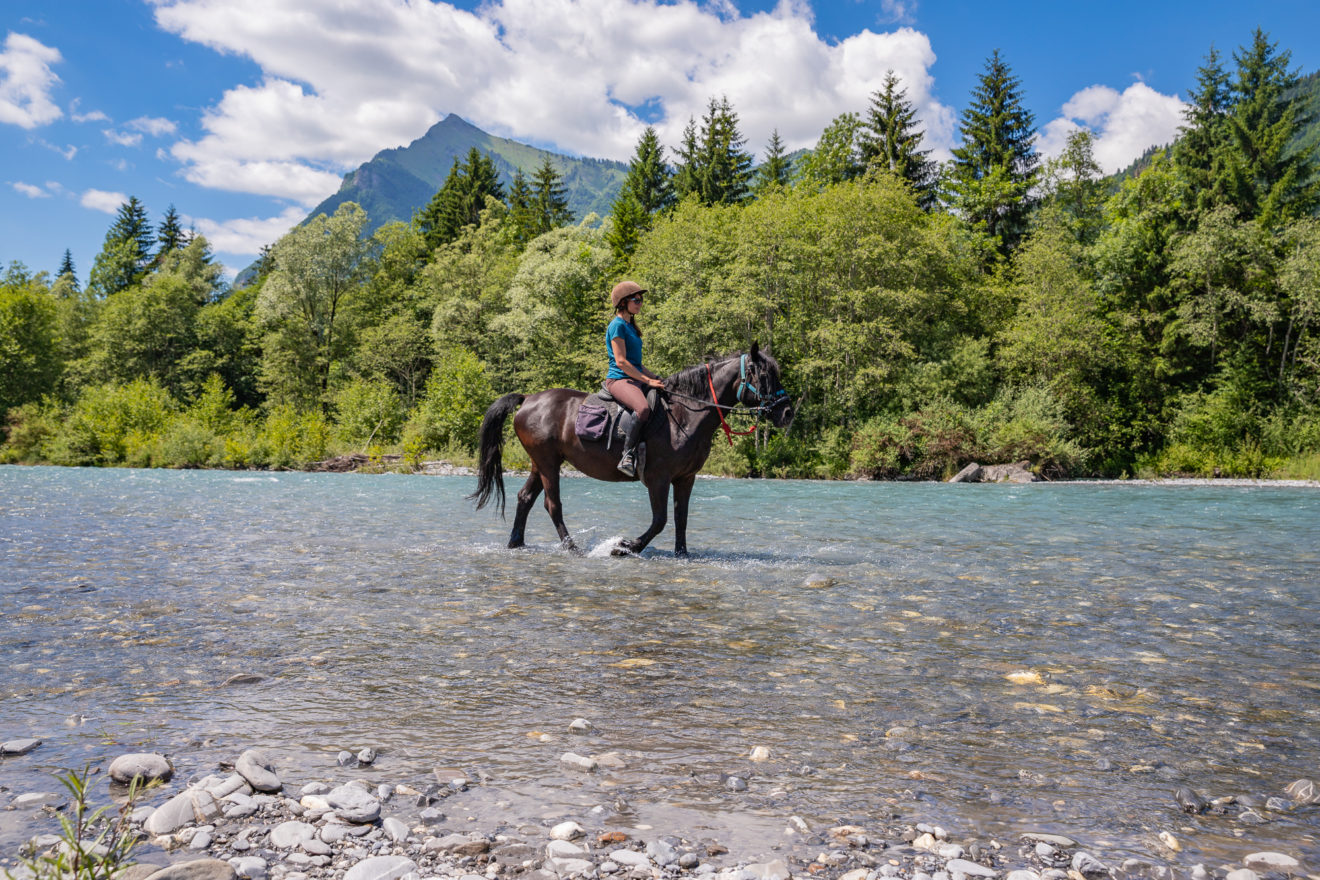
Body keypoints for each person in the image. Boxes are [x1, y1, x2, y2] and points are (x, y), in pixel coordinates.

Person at [605, 280, 665, 477]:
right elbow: (622, 362)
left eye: (641, 299)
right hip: (619, 379)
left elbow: (637, 365)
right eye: (636, 299)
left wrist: (657, 378)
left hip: (634, 377)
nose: (640, 303)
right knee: (643, 408)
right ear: (623, 302)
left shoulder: (631, 327)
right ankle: (627, 455)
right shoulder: (617, 326)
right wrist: (648, 382)